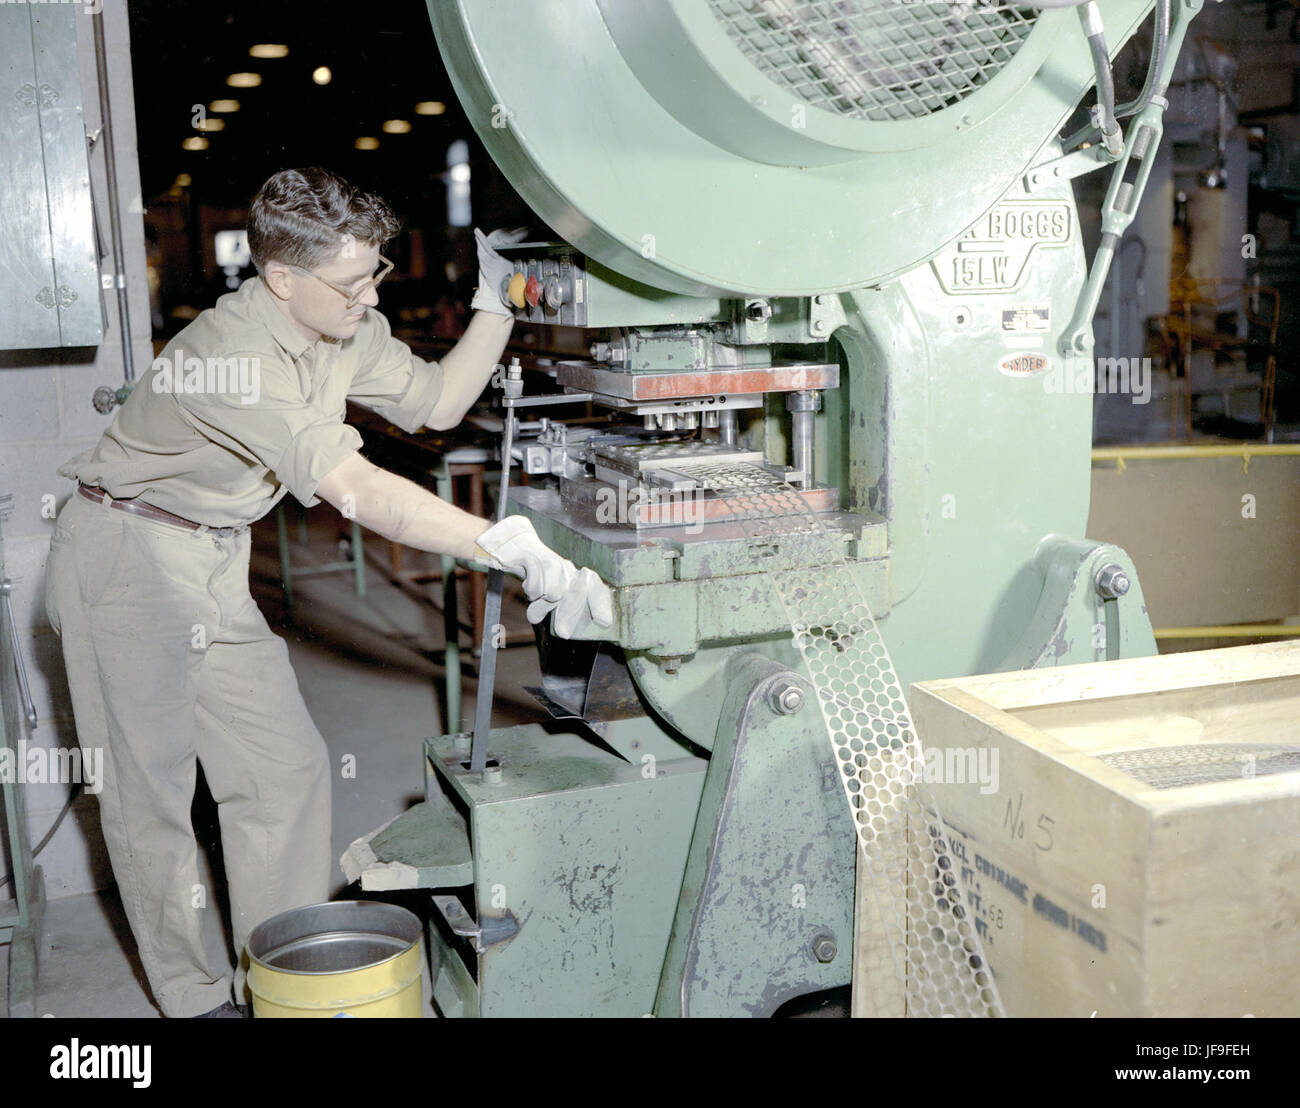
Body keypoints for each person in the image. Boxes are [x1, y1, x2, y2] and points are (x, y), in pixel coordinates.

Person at [44, 167, 612, 1018]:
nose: (369, 293)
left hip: (210, 557)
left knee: (285, 770)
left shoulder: (344, 326)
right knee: (150, 797)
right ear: (281, 279)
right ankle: (196, 1000)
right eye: (352, 281)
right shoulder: (230, 358)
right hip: (123, 558)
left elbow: (437, 402)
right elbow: (359, 491)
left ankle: (281, 977)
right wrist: (500, 547)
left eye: (375, 271)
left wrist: (498, 302)